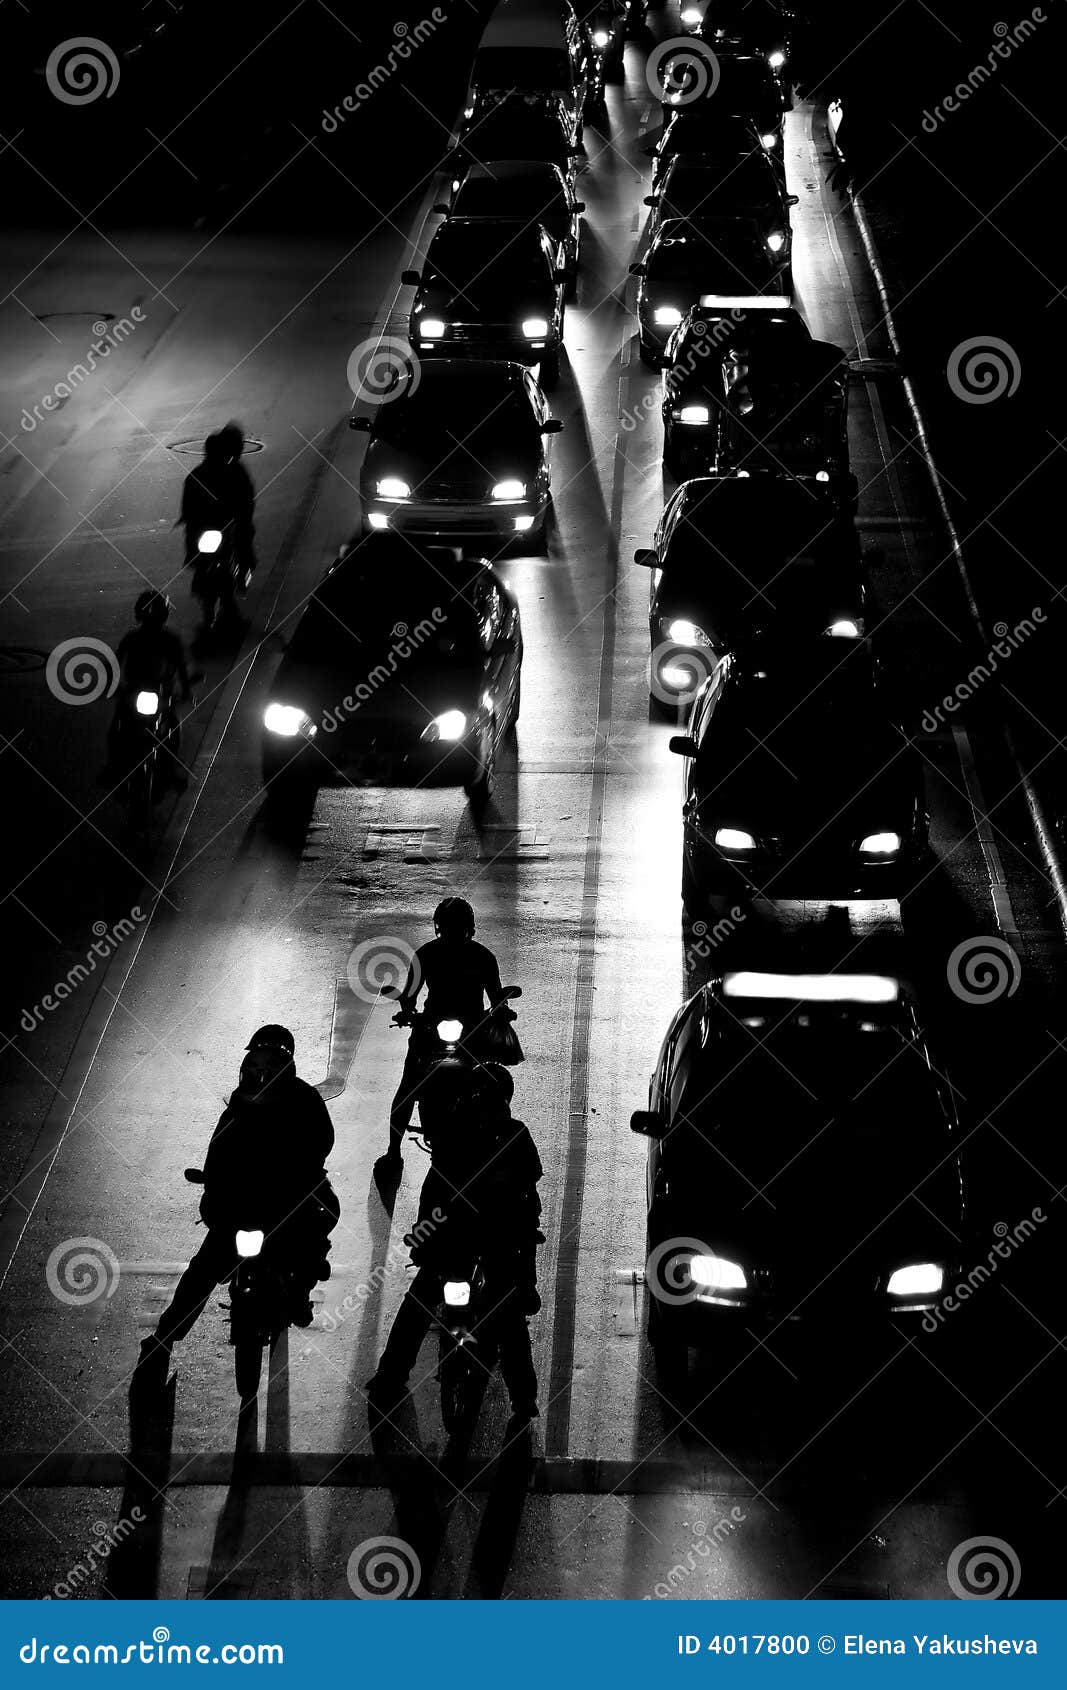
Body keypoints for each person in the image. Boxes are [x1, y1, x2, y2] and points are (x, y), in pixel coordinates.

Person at [136, 1025, 338, 1380]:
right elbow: (218, 1150)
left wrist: (302, 1175)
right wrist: (213, 1184)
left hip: (285, 1203)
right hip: (243, 1206)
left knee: (319, 1227)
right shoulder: (242, 1102)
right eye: (256, 1063)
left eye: (268, 1063)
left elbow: (322, 1145)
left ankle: (300, 1291)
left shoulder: (304, 1100)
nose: (261, 1071)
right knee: (203, 1270)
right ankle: (163, 1337)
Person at [367, 1068, 543, 1434]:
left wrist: (519, 1233)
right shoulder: (458, 1135)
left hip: (498, 1236)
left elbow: (527, 1198)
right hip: (456, 1236)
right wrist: (423, 1236)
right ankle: (390, 1373)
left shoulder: (513, 1136)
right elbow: (435, 1192)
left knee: (509, 1309)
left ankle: (524, 1396)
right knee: (424, 1295)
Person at [383, 897, 510, 1164]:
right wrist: (407, 1011)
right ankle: (393, 1149)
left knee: (490, 1083)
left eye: (457, 927)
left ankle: (490, 1136)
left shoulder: (483, 957)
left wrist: (501, 1011)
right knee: (408, 1087)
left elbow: (497, 996)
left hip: (471, 1030)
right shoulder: (426, 955)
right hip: (430, 1027)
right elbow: (409, 995)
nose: (453, 932)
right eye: (449, 926)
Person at [103, 592, 192, 789]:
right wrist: (110, 684)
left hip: (161, 692)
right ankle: (113, 765)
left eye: (156, 615)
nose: (152, 620)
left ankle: (171, 768)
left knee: (172, 726)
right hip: (133, 691)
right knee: (117, 725)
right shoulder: (132, 638)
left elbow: (181, 667)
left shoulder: (170, 640)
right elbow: (116, 662)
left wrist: (186, 689)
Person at [180, 424, 257, 623]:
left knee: (244, 540)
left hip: (228, 525)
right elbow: (189, 506)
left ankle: (242, 573)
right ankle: (203, 577)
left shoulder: (237, 473)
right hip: (205, 526)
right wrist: (189, 518)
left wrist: (242, 517)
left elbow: (247, 500)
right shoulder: (198, 475)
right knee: (193, 542)